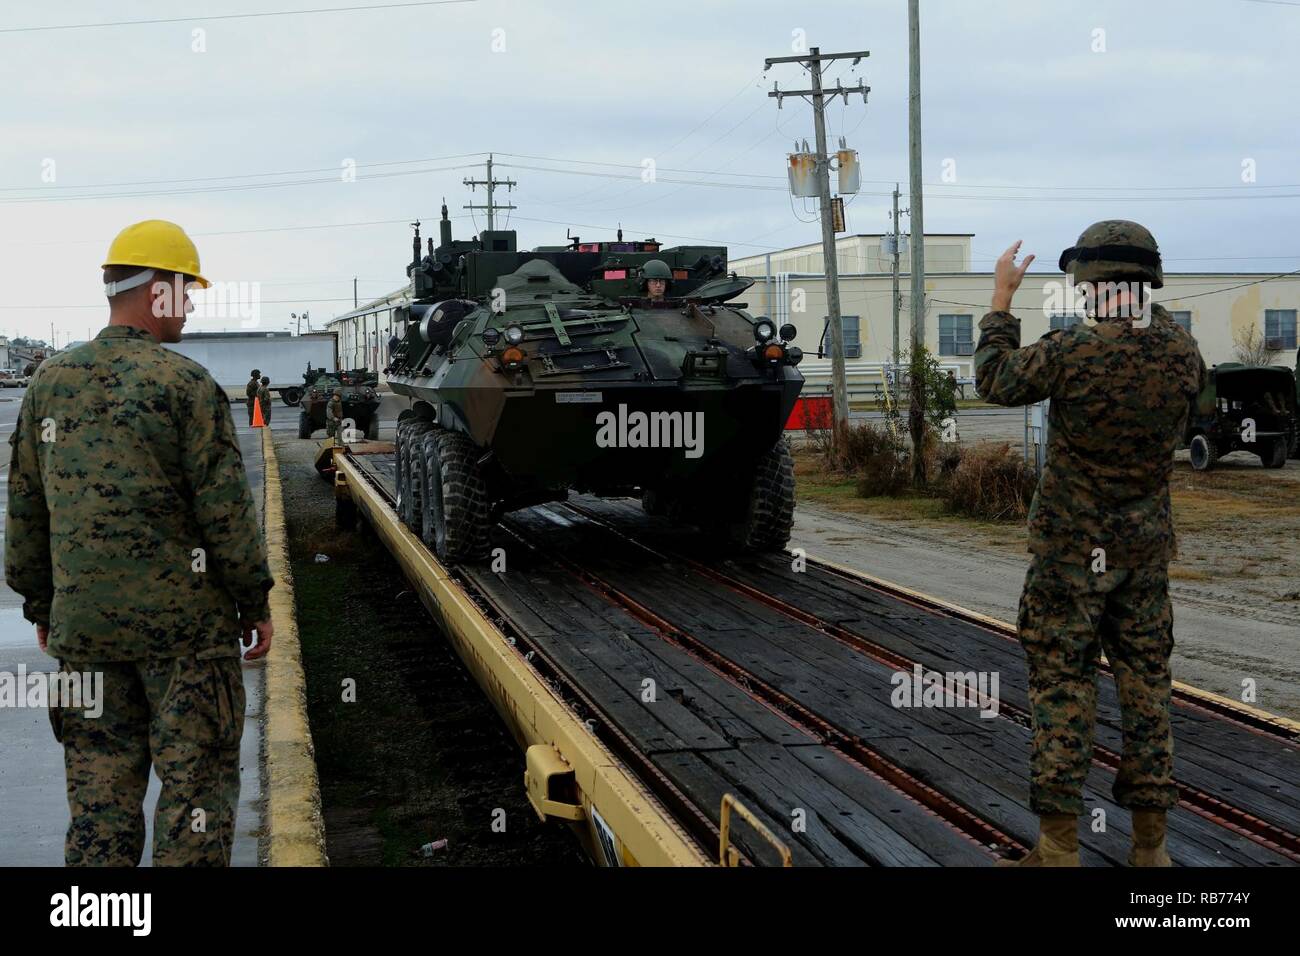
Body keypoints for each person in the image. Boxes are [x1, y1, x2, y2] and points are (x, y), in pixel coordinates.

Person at [4, 219, 274, 866]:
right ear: (160, 290)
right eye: (188, 291)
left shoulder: (49, 384)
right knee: (195, 803)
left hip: (85, 635)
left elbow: (25, 514)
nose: (192, 306)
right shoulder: (186, 387)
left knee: (99, 808)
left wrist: (45, 609)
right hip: (186, 641)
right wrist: (253, 603)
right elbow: (227, 517)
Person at [975, 221, 1206, 867]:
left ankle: (1057, 849)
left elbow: (994, 381)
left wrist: (1001, 299)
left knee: (1062, 687)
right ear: (1148, 279)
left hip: (1071, 556)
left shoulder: (1071, 349)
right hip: (1144, 554)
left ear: (1089, 282)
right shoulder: (1182, 351)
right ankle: (1151, 849)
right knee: (1148, 688)